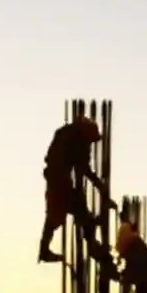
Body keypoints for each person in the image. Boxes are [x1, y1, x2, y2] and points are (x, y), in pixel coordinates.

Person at [38, 115, 116, 271]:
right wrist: (99, 186)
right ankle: (91, 244)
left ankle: (92, 242)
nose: (91, 144)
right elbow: (83, 168)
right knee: (60, 213)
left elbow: (81, 167)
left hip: (59, 178)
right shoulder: (78, 139)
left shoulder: (69, 134)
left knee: (67, 213)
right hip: (59, 180)